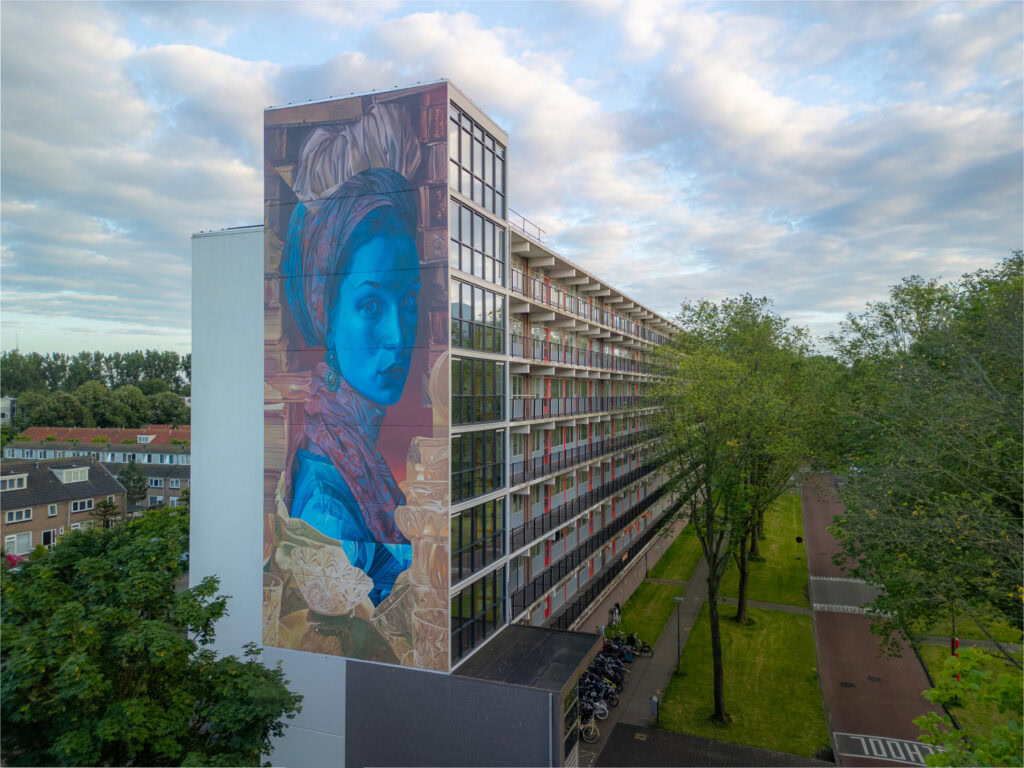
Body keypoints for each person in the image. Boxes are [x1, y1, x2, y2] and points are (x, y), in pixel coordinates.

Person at [283, 167, 420, 606]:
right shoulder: (327, 507)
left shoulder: (358, 453)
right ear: (327, 313)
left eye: (410, 300)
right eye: (372, 304)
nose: (399, 336)